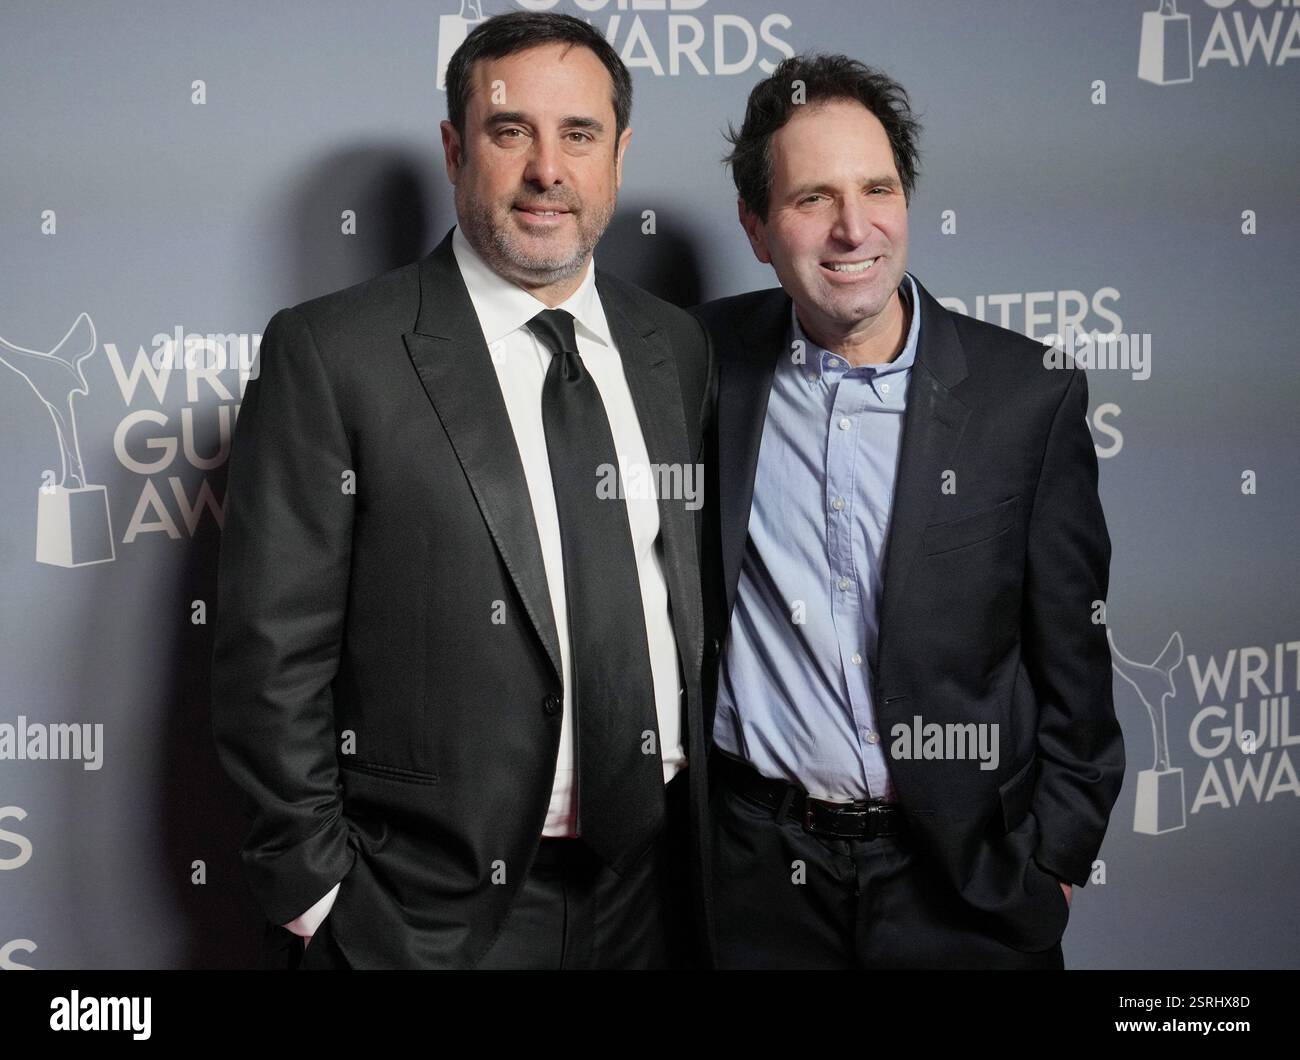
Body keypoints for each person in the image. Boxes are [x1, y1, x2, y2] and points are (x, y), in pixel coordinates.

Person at [211, 11, 715, 970]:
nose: (547, 170)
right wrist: (321, 900)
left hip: (653, 904)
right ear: (454, 147)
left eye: (579, 134)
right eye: (509, 129)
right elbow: (268, 656)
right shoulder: (334, 352)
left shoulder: (674, 351)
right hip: (422, 919)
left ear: (619, 154)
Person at [691, 54, 1124, 969]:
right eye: (813, 198)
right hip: (757, 881)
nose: (854, 229)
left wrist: (1056, 853)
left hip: (965, 880)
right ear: (757, 228)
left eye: (877, 188)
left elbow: (1074, 659)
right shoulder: (699, 364)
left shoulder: (1025, 396)